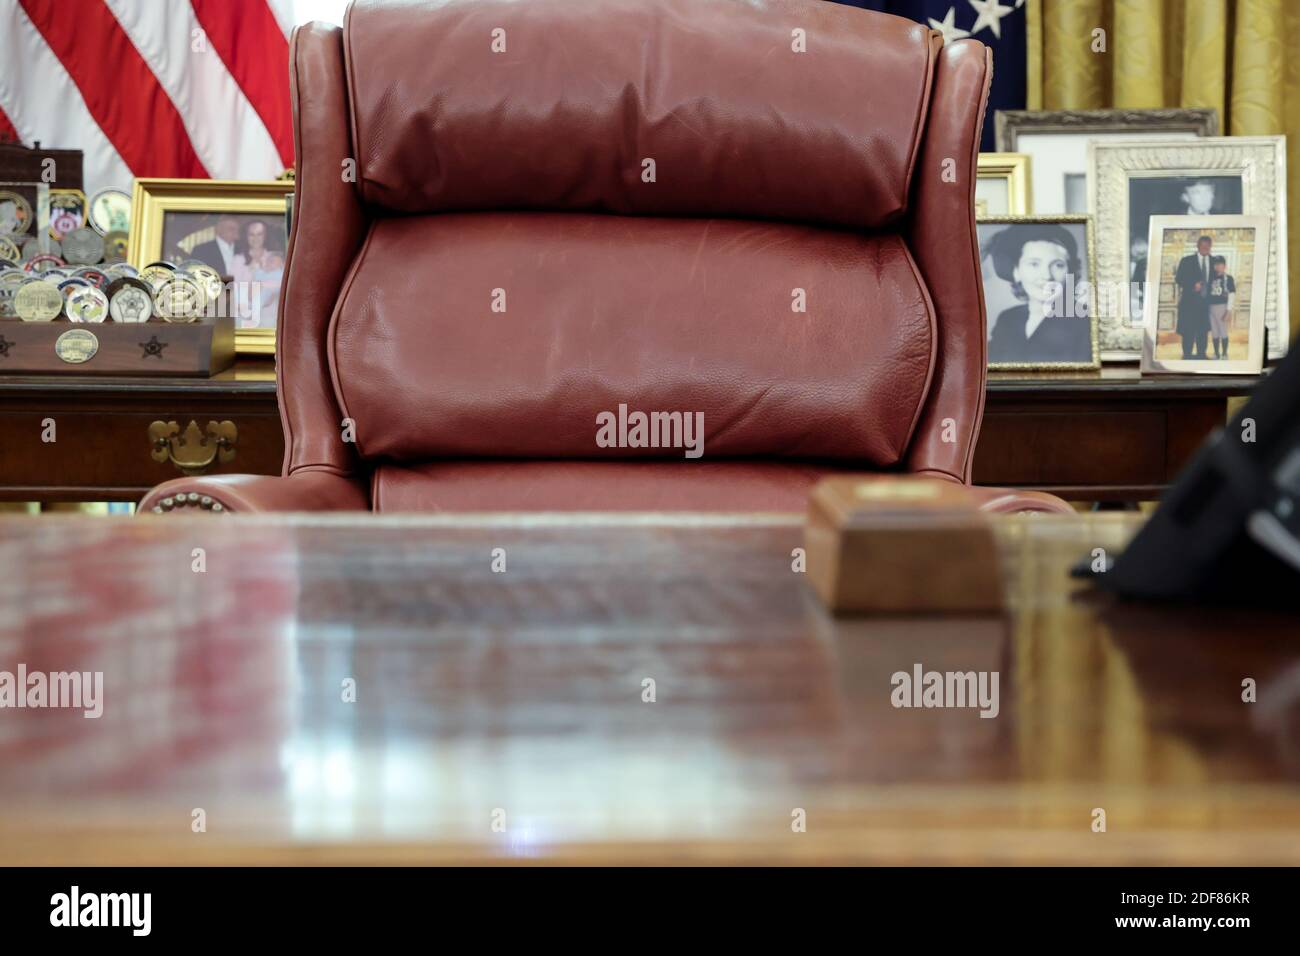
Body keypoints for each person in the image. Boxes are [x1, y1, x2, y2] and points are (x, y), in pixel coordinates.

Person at [986, 223, 1090, 365]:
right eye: (1034, 264)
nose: (1047, 276)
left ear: (1070, 272)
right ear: (1016, 271)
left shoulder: (1085, 322)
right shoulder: (1007, 320)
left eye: (1058, 265)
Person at [231, 219, 284, 328]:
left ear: (265, 236)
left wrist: (273, 294)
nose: (255, 239)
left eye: (259, 234)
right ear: (246, 236)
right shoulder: (238, 259)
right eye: (251, 235)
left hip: (270, 314)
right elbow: (233, 288)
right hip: (244, 313)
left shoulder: (275, 257)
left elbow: (283, 283)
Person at [1174, 235, 1214, 359]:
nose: (1205, 248)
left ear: (1210, 247)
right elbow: (1179, 279)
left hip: (1206, 305)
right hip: (1189, 304)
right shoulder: (1186, 260)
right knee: (1188, 331)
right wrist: (1192, 285)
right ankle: (1187, 355)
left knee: (1203, 332)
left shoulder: (1214, 261)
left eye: (1208, 246)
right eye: (1203, 245)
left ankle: (1202, 354)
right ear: (1198, 246)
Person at [1207, 255, 1236, 360]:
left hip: (1222, 307)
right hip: (1211, 307)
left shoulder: (1228, 278)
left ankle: (1224, 353)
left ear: (1224, 266)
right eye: (1215, 264)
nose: (1217, 266)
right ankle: (1216, 353)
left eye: (1220, 264)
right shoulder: (1210, 278)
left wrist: (1228, 310)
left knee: (1222, 330)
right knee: (1214, 331)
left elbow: (1232, 294)